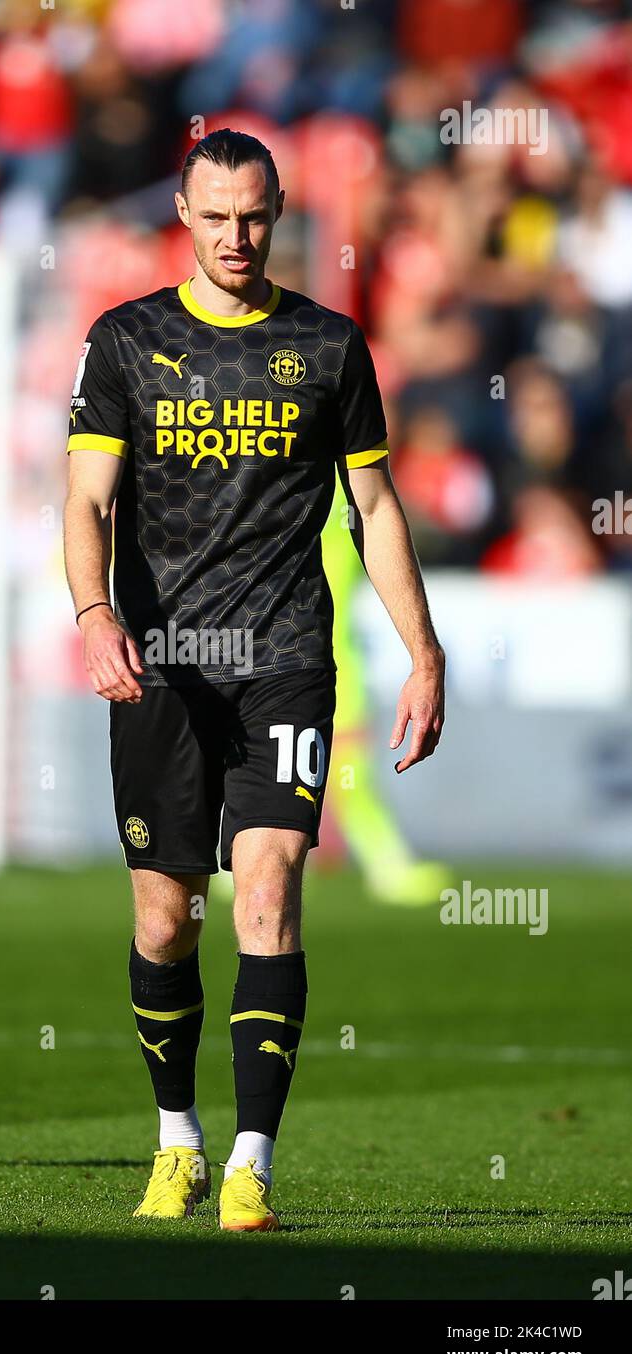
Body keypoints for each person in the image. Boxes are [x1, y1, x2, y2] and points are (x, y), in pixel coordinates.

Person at [62, 129, 445, 1232]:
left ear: (279, 214)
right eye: (215, 215)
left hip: (282, 661)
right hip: (163, 670)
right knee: (166, 918)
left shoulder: (327, 348)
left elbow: (373, 508)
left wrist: (420, 649)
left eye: (255, 217)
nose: (235, 237)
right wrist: (95, 616)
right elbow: (85, 504)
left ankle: (250, 1163)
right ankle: (176, 1135)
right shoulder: (125, 343)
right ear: (182, 213)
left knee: (268, 890)